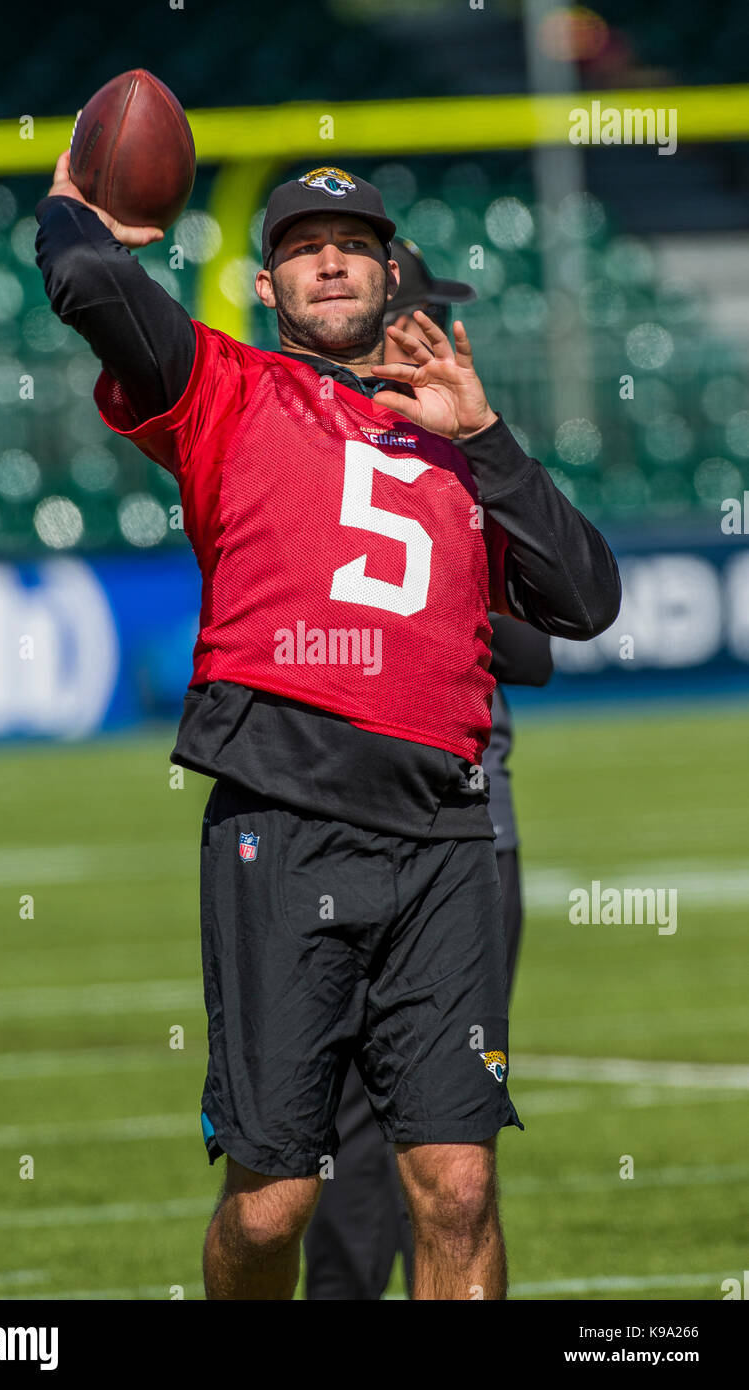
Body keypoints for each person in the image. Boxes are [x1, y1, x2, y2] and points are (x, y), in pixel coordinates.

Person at [35, 154, 621, 1300]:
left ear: (392, 269)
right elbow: (88, 284)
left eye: (352, 242)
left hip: (446, 840)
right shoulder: (224, 389)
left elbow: (584, 603)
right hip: (283, 823)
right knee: (271, 1202)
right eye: (303, 247)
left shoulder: (457, 438)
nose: (331, 260)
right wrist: (78, 209)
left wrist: (488, 437)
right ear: (266, 285)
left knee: (455, 1186)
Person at [304, 240, 553, 1300]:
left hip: (463, 834)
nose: (439, 330)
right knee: (349, 1130)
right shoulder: (325, 444)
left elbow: (541, 639)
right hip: (379, 827)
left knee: (442, 1143)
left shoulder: (466, 447)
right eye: (423, 310)